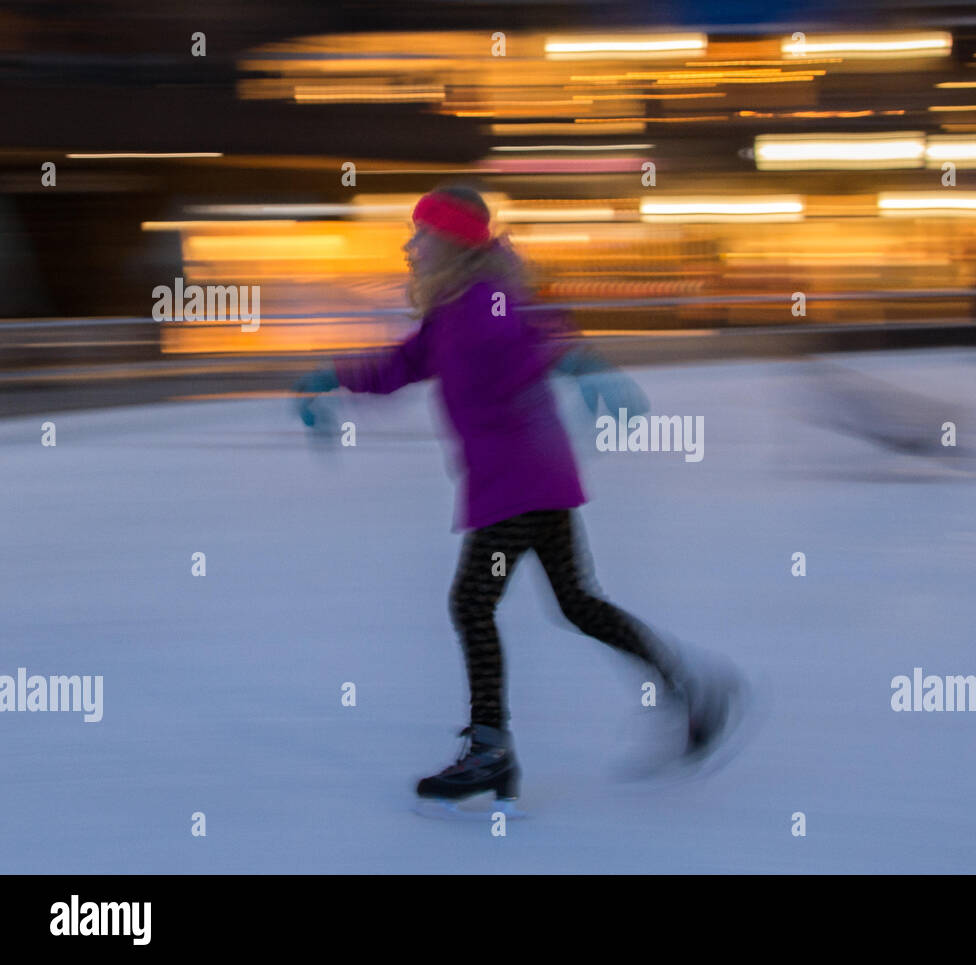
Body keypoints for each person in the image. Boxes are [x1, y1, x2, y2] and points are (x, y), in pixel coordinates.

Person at [292, 186, 738, 806]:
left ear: (448, 244)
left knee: (472, 603)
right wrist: (329, 380)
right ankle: (690, 690)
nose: (409, 246)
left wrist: (589, 368)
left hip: (519, 480)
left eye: (420, 235)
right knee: (577, 602)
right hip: (528, 478)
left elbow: (538, 333)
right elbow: (400, 365)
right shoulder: (450, 312)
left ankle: (489, 749)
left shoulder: (486, 298)